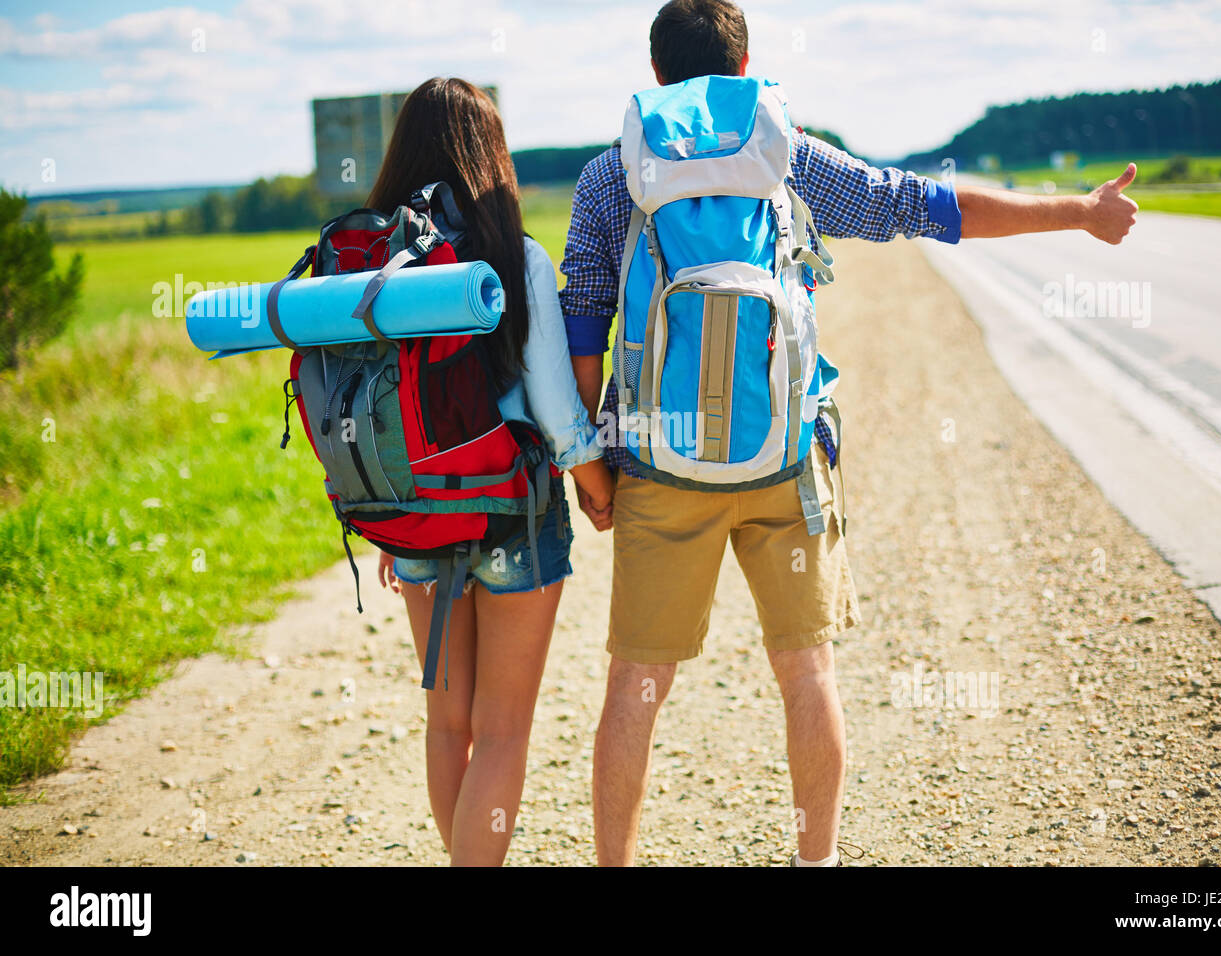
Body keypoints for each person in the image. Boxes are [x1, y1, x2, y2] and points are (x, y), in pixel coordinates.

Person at [560, 0, 1139, 866]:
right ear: (746, 67)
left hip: (656, 460)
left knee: (636, 686)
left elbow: (581, 320)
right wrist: (1077, 212)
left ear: (654, 78)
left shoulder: (612, 175)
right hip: (785, 462)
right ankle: (816, 861)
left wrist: (590, 466)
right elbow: (924, 207)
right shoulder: (782, 154)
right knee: (807, 673)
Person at [368, 77, 615, 866]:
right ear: (491, 157)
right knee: (503, 730)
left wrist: (391, 508)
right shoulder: (516, 257)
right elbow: (553, 404)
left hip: (410, 509)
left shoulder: (370, 265)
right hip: (513, 509)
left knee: (449, 724)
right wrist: (596, 485)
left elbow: (377, 407)